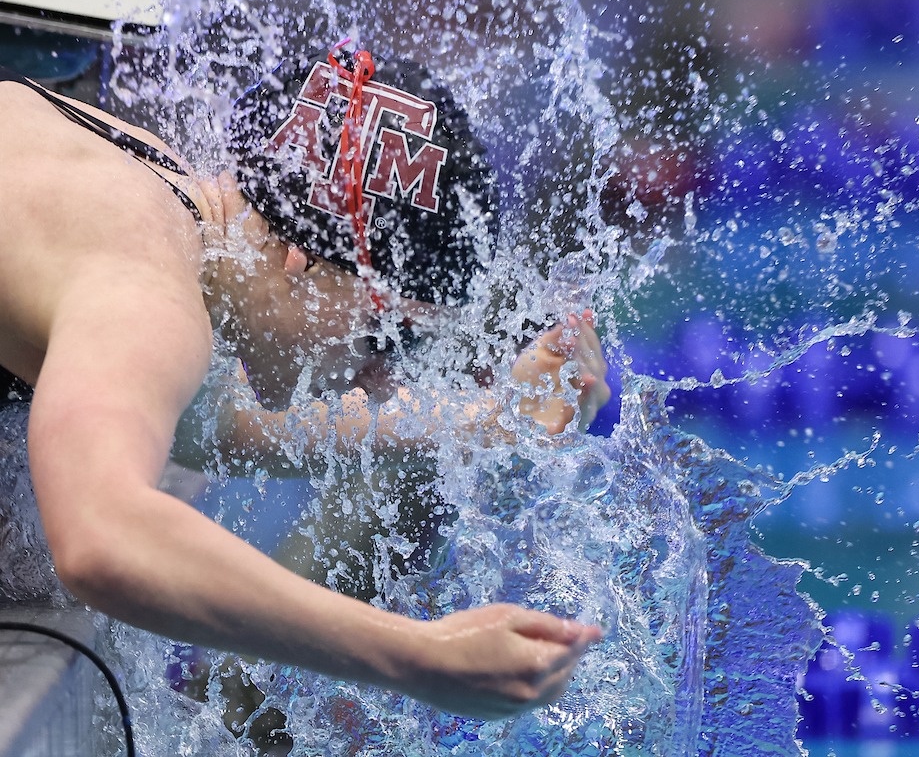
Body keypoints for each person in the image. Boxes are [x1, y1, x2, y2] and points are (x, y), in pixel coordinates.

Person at [0, 44, 609, 722]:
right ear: (303, 259)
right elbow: (101, 538)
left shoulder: (147, 185)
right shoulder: (147, 292)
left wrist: (492, 417)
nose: (381, 376)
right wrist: (417, 656)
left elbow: (211, 427)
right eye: (389, 337)